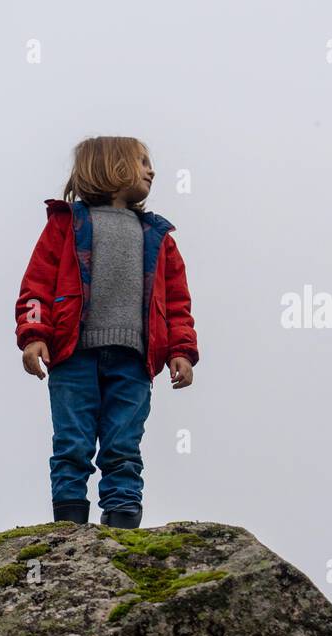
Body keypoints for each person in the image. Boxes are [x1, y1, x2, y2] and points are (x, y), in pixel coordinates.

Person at [14, 136, 199, 528]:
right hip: (72, 356)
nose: (152, 170)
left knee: (123, 447)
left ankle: (122, 525)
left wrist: (180, 350)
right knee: (72, 444)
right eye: (142, 161)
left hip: (133, 362)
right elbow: (37, 285)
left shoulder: (158, 237)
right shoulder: (66, 226)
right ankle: (68, 529)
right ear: (111, 168)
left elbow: (178, 303)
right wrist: (33, 335)